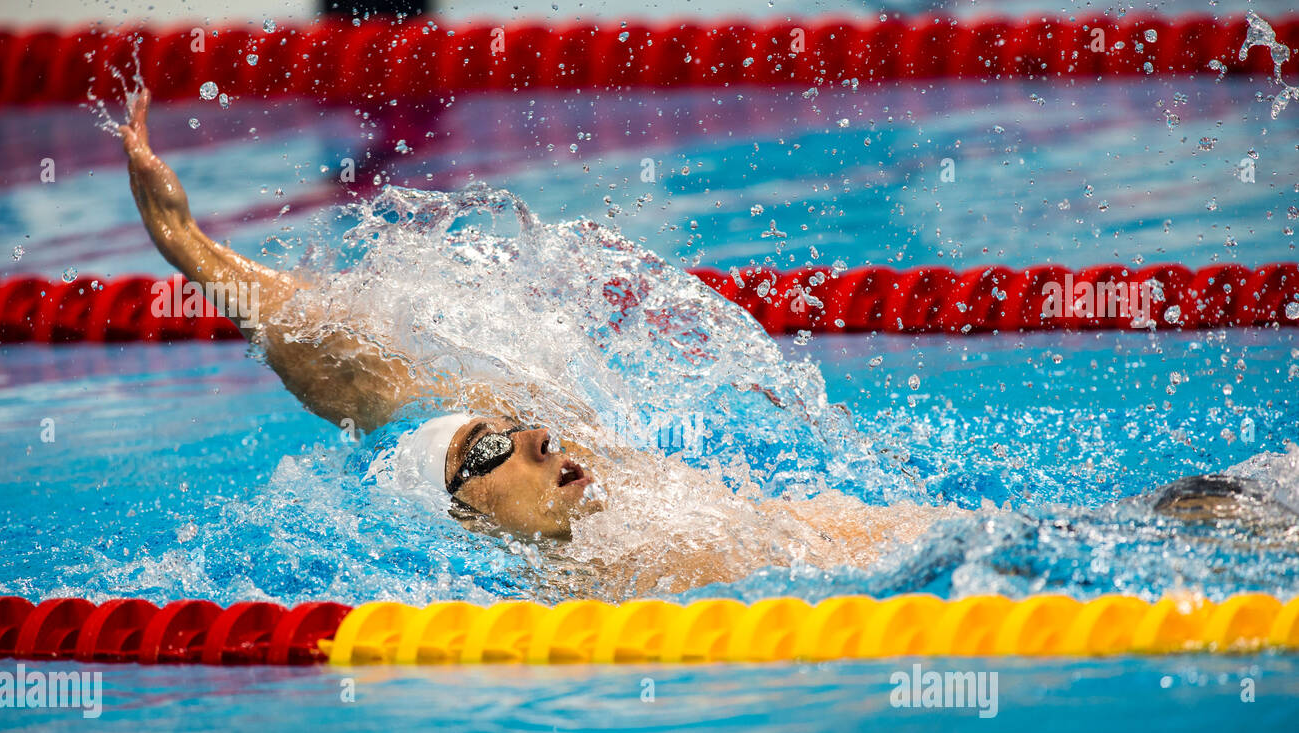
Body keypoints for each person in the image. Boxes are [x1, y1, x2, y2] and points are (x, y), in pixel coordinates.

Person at [118, 88, 1291, 596]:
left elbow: (365, 382)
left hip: (967, 542)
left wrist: (204, 260)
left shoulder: (588, 488)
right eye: (499, 449)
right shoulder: (576, 587)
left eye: (510, 429)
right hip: (960, 570)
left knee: (1207, 506)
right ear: (470, 516)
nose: (533, 432)